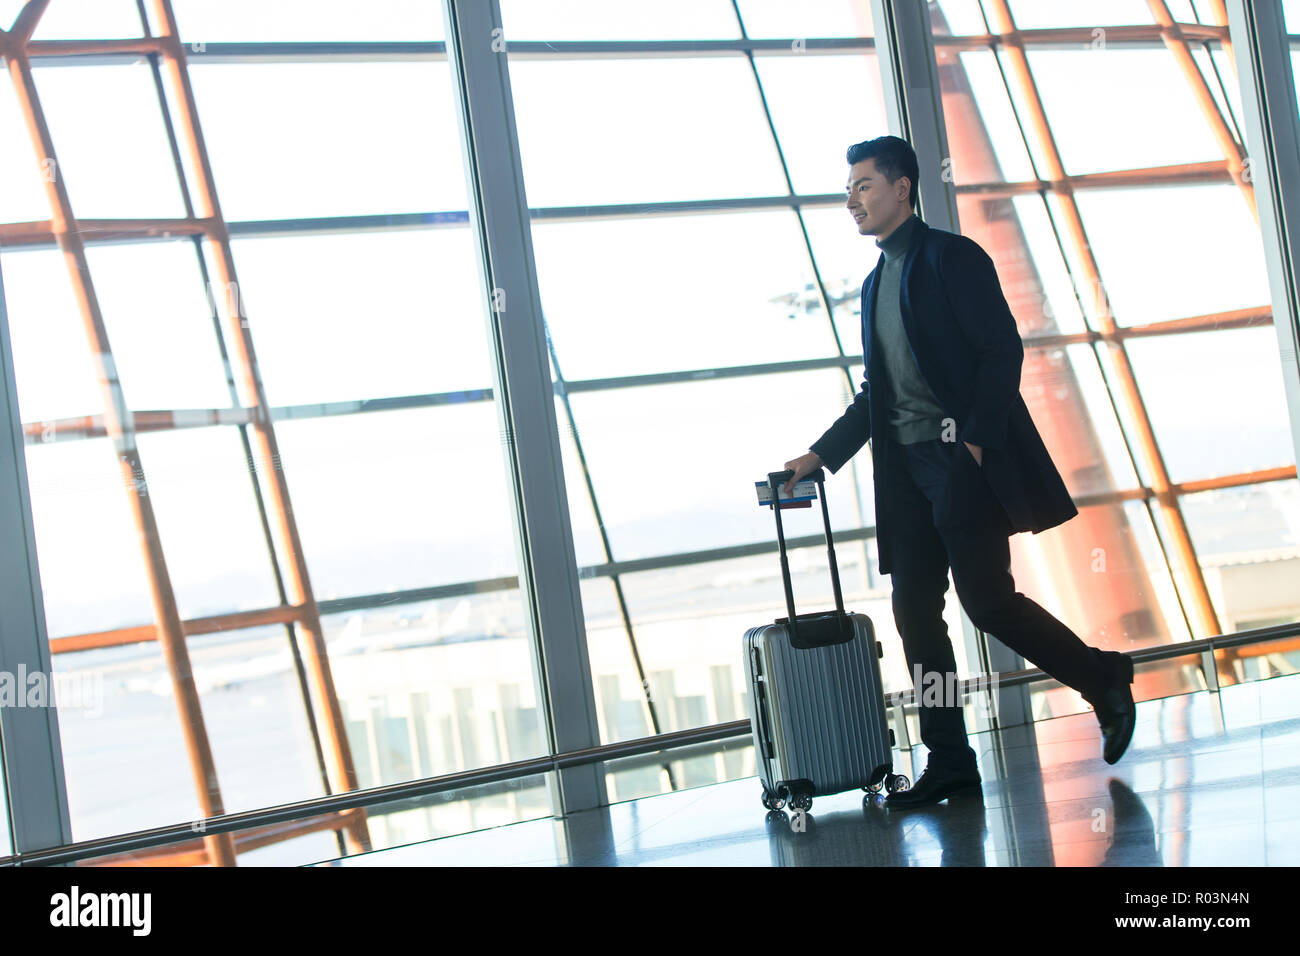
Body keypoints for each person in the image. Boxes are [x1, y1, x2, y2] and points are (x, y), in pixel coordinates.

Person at [782, 135, 1136, 809]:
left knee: (986, 602)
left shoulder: (951, 258)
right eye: (849, 188)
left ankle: (1104, 677)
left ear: (902, 187)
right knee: (916, 613)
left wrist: (973, 446)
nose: (850, 199)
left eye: (862, 185)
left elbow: (1002, 351)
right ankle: (949, 759)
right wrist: (820, 455)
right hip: (906, 471)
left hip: (958, 462)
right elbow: (876, 396)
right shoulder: (877, 282)